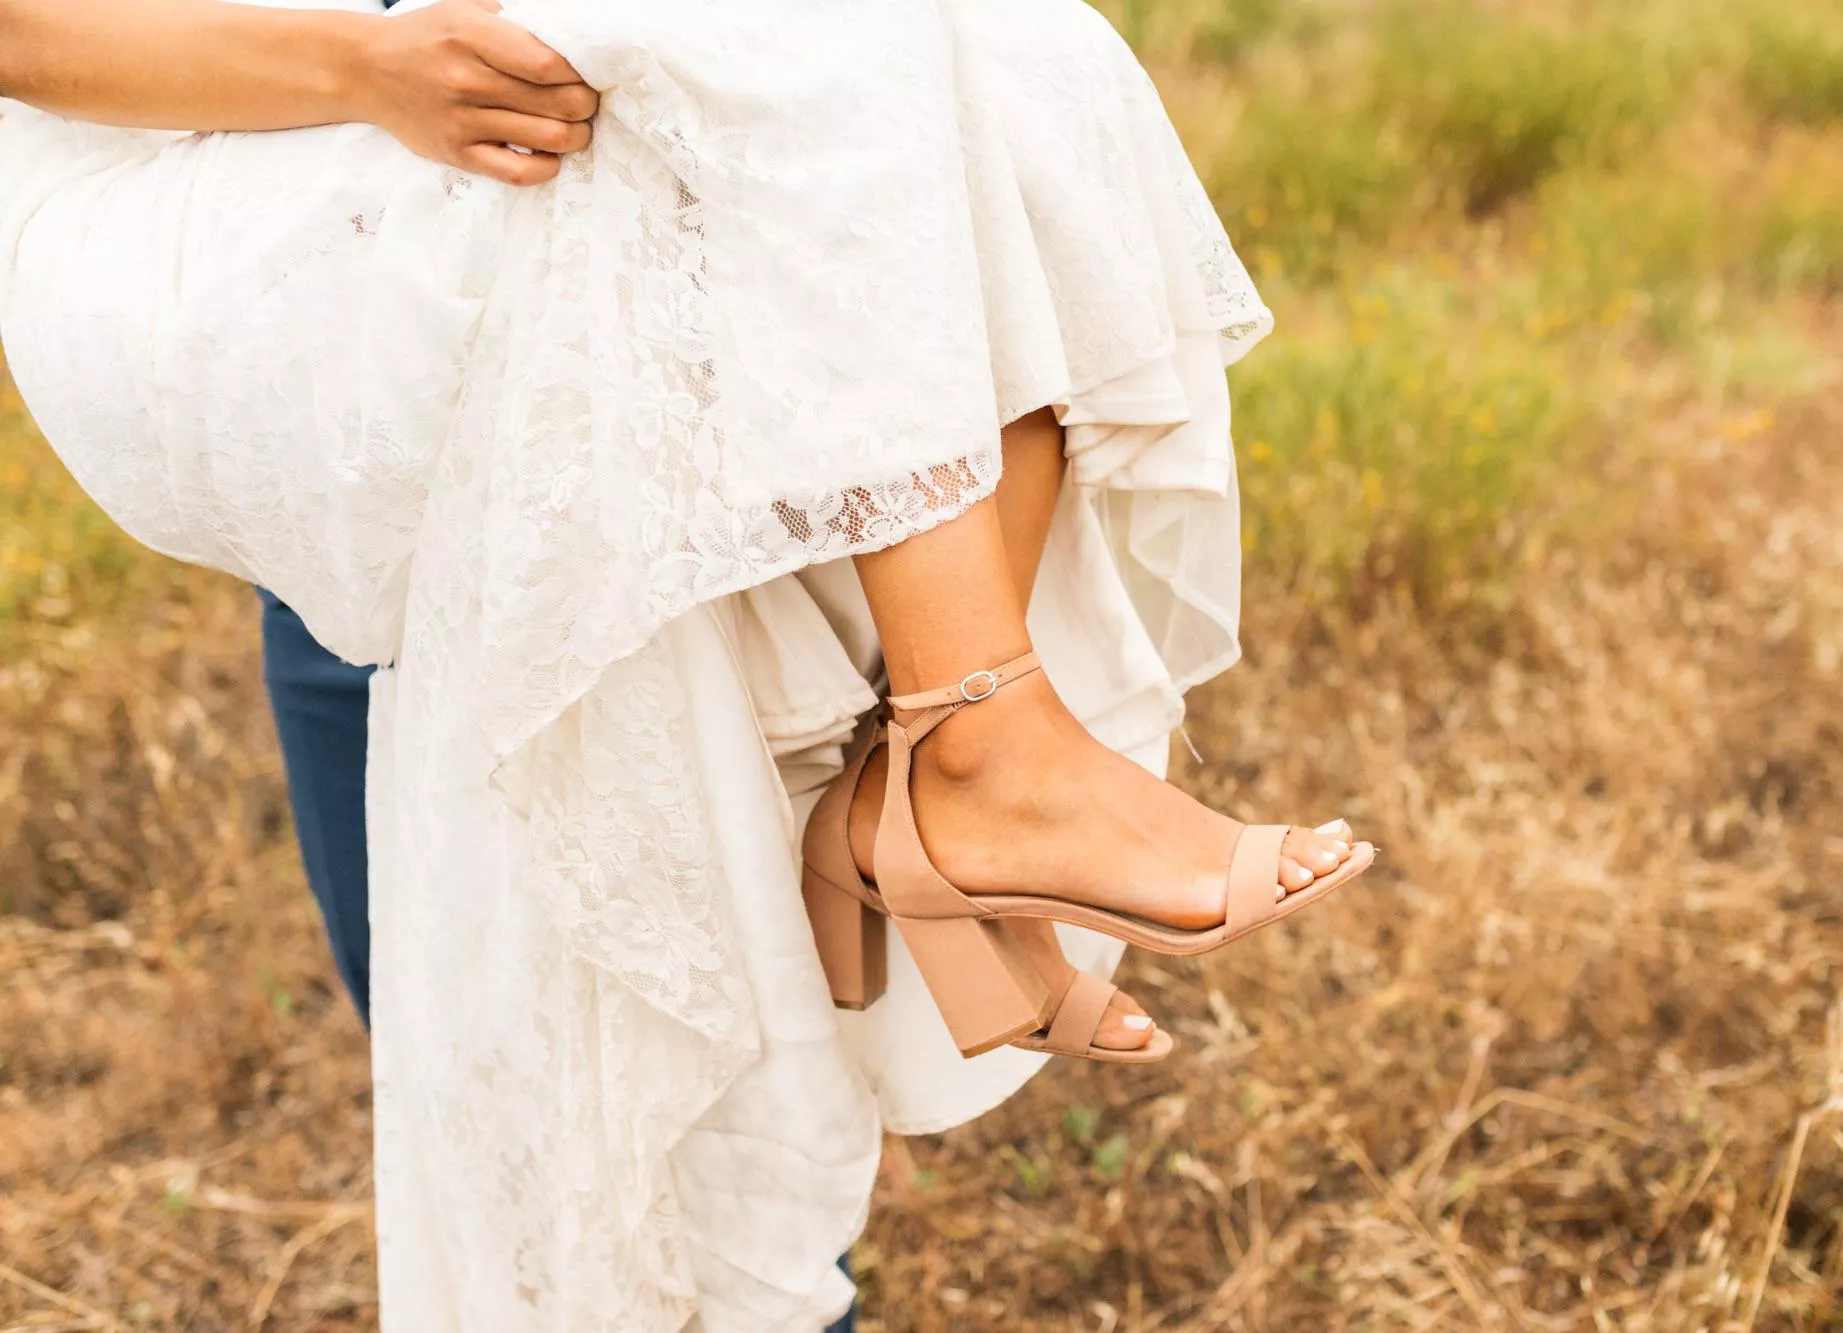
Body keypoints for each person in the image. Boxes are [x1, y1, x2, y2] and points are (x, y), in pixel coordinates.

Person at [0, 0, 1374, 1327]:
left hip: (506, 204)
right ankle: (968, 759)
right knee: (552, 1061)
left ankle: (929, 754)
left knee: (1000, 47)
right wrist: (370, 60)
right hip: (211, 171)